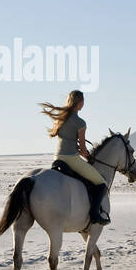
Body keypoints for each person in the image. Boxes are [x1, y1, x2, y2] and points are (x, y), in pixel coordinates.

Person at [40, 89, 110, 226]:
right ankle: (95, 214)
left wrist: (76, 148)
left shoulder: (60, 118)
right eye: (83, 101)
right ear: (80, 103)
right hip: (71, 159)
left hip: (57, 157)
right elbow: (83, 149)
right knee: (102, 183)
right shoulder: (80, 122)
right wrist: (88, 156)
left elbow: (67, 140)